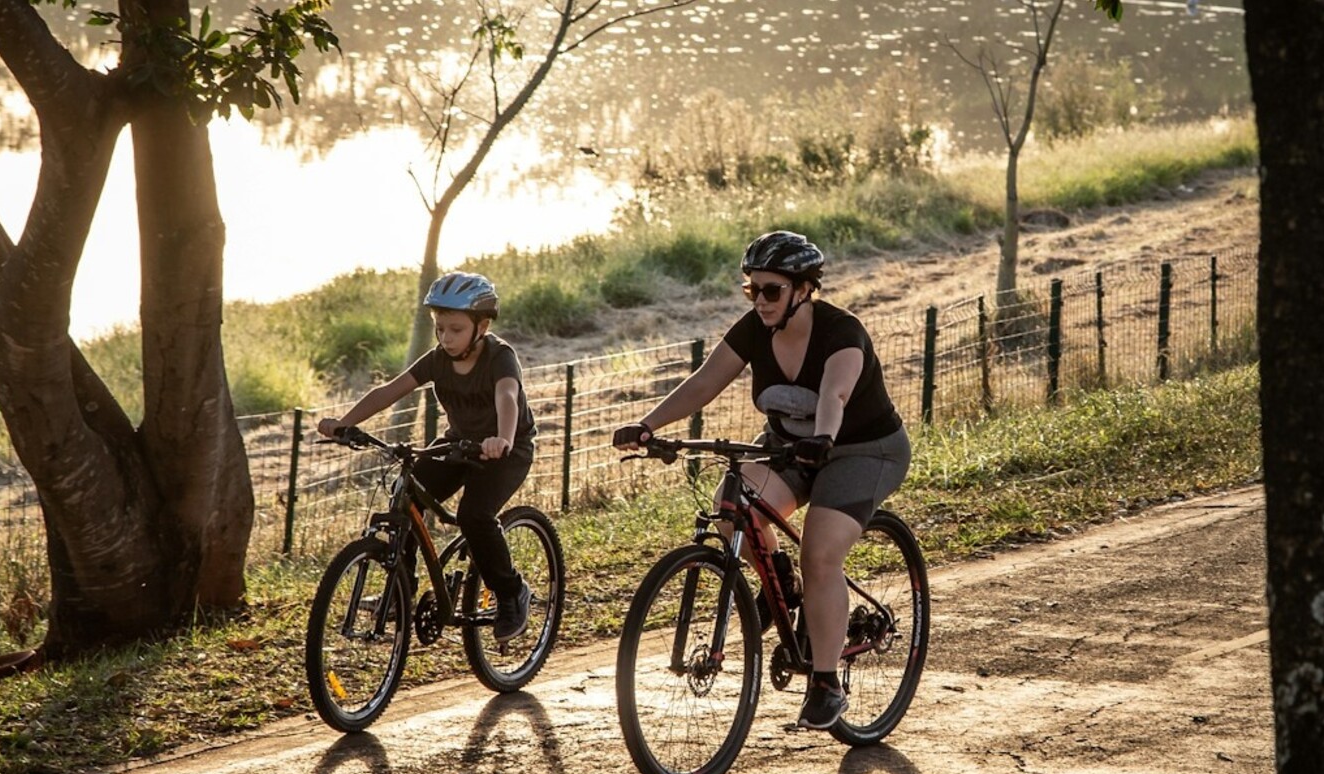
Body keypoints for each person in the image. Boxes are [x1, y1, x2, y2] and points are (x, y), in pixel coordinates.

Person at [612, 230, 912, 730]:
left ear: (803, 289)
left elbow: (834, 397)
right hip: (792, 446)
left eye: (771, 290)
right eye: (752, 290)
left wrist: (823, 439)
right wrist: (649, 426)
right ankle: (784, 584)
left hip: (863, 449)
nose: (761, 300)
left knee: (820, 551)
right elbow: (704, 383)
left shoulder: (842, 332)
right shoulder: (754, 329)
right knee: (732, 510)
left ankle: (825, 681)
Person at [317, 272, 539, 639]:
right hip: (457, 444)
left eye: (455, 329)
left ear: (481, 327)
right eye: (440, 328)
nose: (446, 338)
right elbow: (390, 390)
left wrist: (501, 438)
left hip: (506, 450)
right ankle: (399, 589)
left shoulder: (501, 357)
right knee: (407, 498)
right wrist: (344, 424)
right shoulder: (438, 359)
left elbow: (507, 397)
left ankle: (512, 592)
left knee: (474, 515)